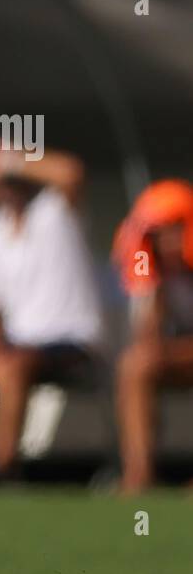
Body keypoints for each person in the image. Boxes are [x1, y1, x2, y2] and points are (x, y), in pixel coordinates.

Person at [0, 145, 102, 479]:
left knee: (12, 364)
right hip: (17, 348)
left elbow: (71, 171)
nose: (3, 187)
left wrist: (6, 159)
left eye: (9, 179)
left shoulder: (55, 213)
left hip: (71, 341)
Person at [112, 179, 193, 494]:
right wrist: (149, 281)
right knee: (135, 365)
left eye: (173, 229)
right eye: (156, 234)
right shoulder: (155, 266)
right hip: (182, 354)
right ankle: (139, 476)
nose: (164, 241)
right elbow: (146, 338)